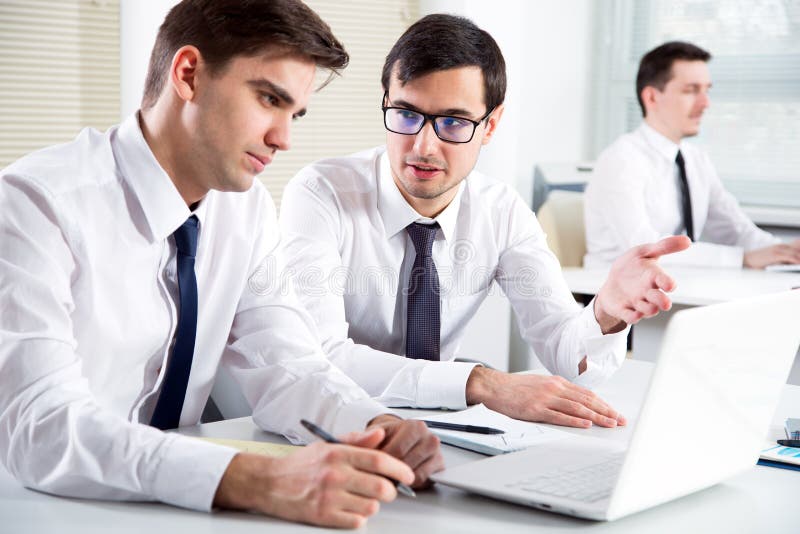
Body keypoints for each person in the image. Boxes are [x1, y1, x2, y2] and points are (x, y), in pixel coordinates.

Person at [0, 0, 442, 529]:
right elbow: (41, 427)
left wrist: (374, 425)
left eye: (294, 114)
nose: (283, 139)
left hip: (177, 509)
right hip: (42, 508)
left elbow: (286, 364)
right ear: (188, 74)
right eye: (269, 99)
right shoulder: (34, 204)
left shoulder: (245, 209)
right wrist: (258, 479)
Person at [279, 14, 689, 430]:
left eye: (453, 122)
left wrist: (607, 311)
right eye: (406, 114)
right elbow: (320, 357)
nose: (423, 146)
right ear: (385, 102)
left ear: (490, 126)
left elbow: (570, 357)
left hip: (436, 431)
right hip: (327, 426)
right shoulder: (322, 193)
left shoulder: (500, 211)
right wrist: (480, 382)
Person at [584, 41, 800, 269]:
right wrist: (741, 259)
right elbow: (645, 249)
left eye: (706, 90)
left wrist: (786, 251)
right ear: (652, 98)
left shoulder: (695, 159)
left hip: (679, 282)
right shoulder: (621, 160)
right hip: (615, 287)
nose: (705, 103)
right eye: (691, 90)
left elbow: (735, 229)